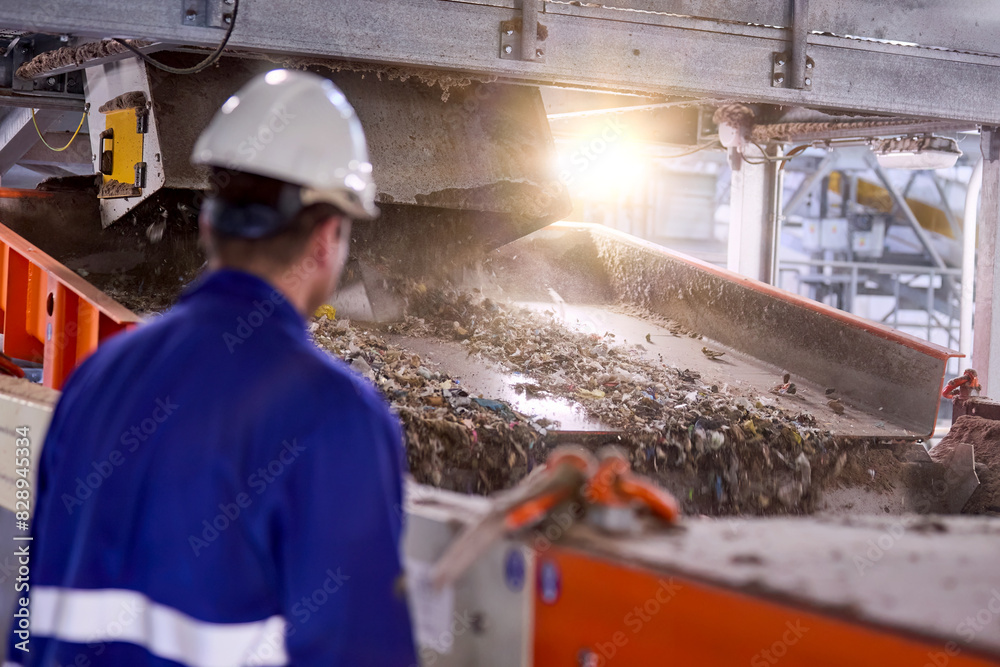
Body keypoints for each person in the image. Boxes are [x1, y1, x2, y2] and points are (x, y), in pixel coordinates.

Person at [6, 69, 416, 666]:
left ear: (207, 224)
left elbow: (32, 618)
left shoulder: (97, 379)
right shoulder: (336, 417)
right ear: (328, 238)